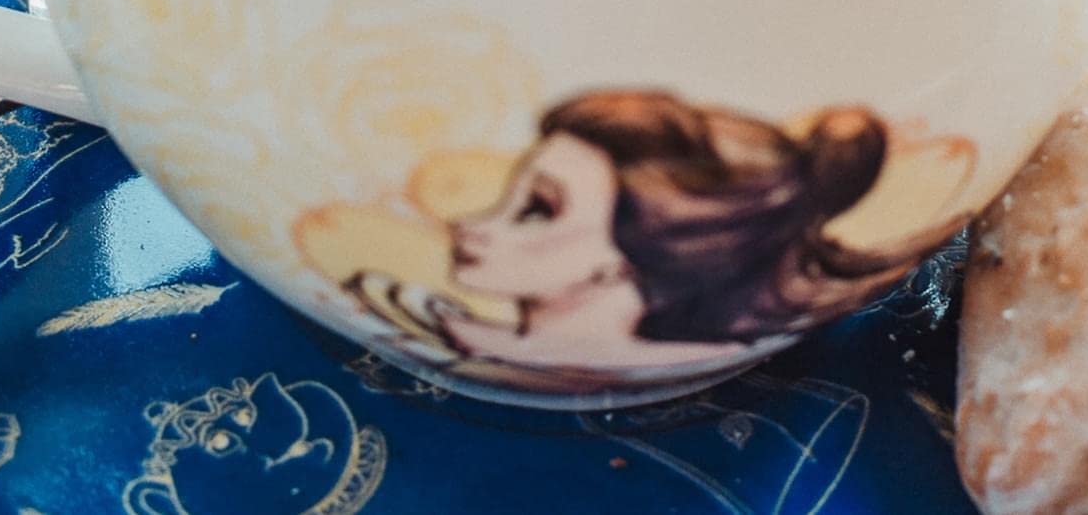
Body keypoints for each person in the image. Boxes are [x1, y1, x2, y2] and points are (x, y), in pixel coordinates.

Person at [349, 89, 928, 380]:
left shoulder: (426, 320)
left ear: (629, 258)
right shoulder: (418, 311)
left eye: (535, 210)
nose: (472, 222)